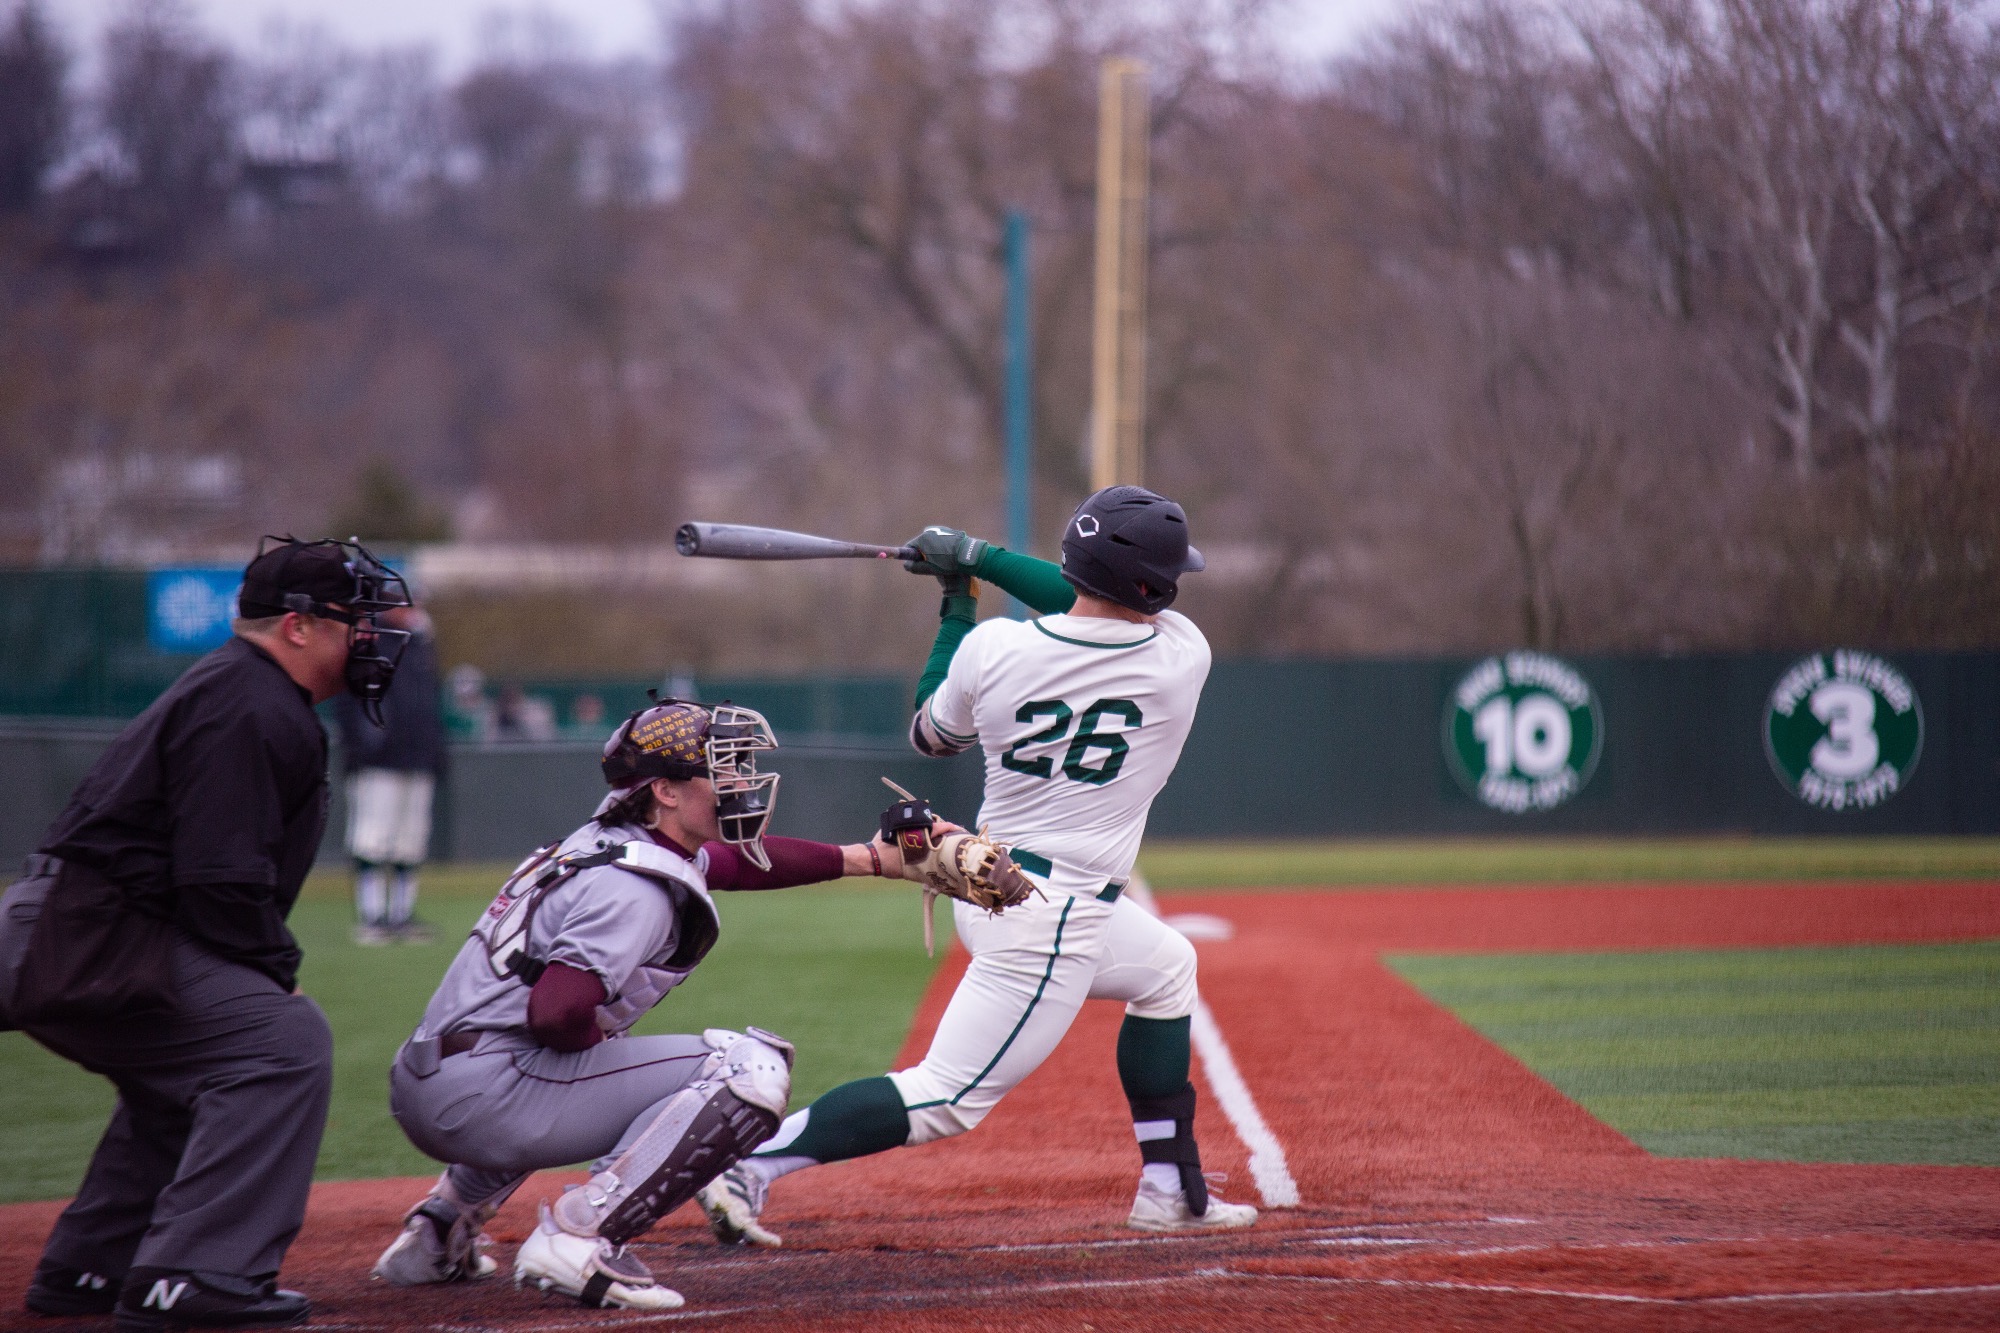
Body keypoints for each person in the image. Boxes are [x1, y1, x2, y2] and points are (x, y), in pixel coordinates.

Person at [697, 486, 1257, 1246]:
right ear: (1153, 588)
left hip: (984, 880)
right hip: (1052, 915)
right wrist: (978, 558)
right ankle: (747, 1163)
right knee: (947, 1095)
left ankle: (1170, 1188)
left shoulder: (993, 648)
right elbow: (1096, 596)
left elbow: (931, 735)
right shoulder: (1181, 657)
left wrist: (957, 602)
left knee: (1166, 969)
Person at [369, 697, 920, 1312]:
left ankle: (439, 1231)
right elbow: (554, 1013)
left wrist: (873, 860)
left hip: (436, 1078)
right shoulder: (632, 888)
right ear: (665, 789)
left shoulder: (610, 838)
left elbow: (733, 865)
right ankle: (579, 1234)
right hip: (481, 1097)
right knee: (749, 1069)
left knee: (581, 1051)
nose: (739, 781)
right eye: (723, 767)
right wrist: (599, 1049)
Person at [2, 537, 410, 1329]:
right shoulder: (251, 701)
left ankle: (92, 1266)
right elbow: (217, 879)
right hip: (87, 937)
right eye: (352, 620)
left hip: (75, 926)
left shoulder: (243, 689)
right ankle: (195, 1276)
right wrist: (273, 967)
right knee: (281, 1040)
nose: (369, 637)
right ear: (297, 625)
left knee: (188, 1069)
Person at [334, 602, 447, 945]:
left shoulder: (420, 646)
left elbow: (429, 704)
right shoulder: (368, 644)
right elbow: (350, 703)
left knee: (409, 841)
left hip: (417, 758)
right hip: (378, 761)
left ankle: (400, 914)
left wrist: (435, 751)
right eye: (401, 604)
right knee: (373, 837)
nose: (410, 611)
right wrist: (365, 743)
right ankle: (371, 917)